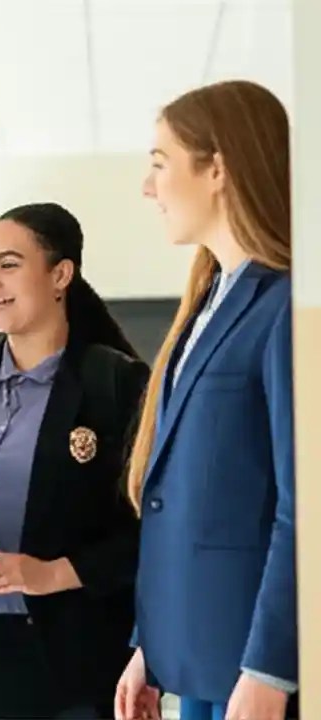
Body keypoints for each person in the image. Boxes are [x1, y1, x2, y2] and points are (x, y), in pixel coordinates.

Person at [0, 202, 149, 719]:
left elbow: (145, 534)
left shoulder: (116, 383)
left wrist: (50, 573)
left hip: (84, 657)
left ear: (61, 274)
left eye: (8, 264)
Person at [114, 80, 298, 720]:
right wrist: (150, 649)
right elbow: (183, 508)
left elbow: (302, 509)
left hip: (253, 670)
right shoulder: (202, 311)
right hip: (196, 660)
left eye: (160, 164)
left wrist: (272, 668)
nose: (147, 187)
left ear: (217, 168)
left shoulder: (284, 309)